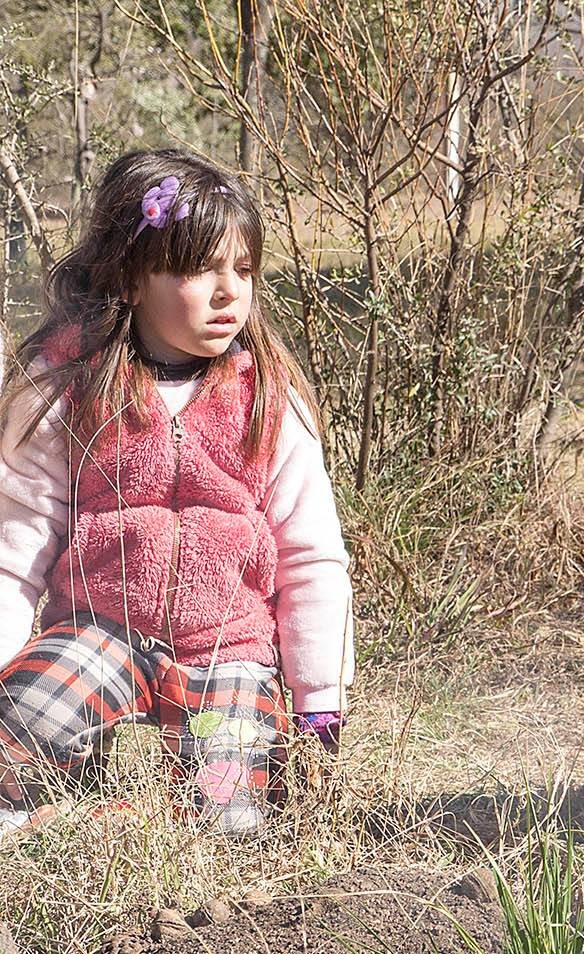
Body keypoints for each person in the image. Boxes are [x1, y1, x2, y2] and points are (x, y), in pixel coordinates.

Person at [0, 149, 353, 834]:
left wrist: (319, 696)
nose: (230, 292)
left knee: (231, 823)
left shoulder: (269, 401)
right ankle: (66, 820)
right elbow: (13, 551)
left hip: (229, 648)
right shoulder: (66, 391)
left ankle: (164, 817)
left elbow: (313, 558)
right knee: (12, 738)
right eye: (199, 270)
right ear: (131, 280)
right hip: (97, 634)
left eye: (244, 271)